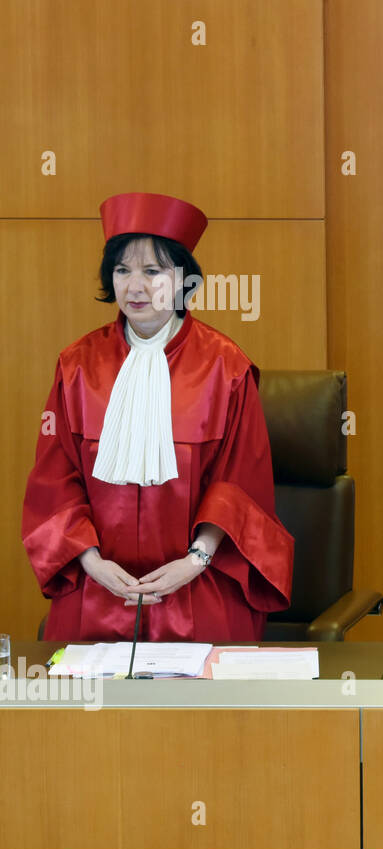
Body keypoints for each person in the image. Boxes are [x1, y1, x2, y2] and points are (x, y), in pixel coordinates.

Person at [22, 192, 293, 642]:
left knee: (205, 706)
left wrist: (195, 561)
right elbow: (55, 481)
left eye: (153, 271)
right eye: (123, 270)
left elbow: (240, 484)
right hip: (98, 587)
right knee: (79, 708)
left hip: (199, 585)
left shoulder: (226, 369)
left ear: (183, 279)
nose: (136, 287)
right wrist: (92, 563)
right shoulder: (76, 366)